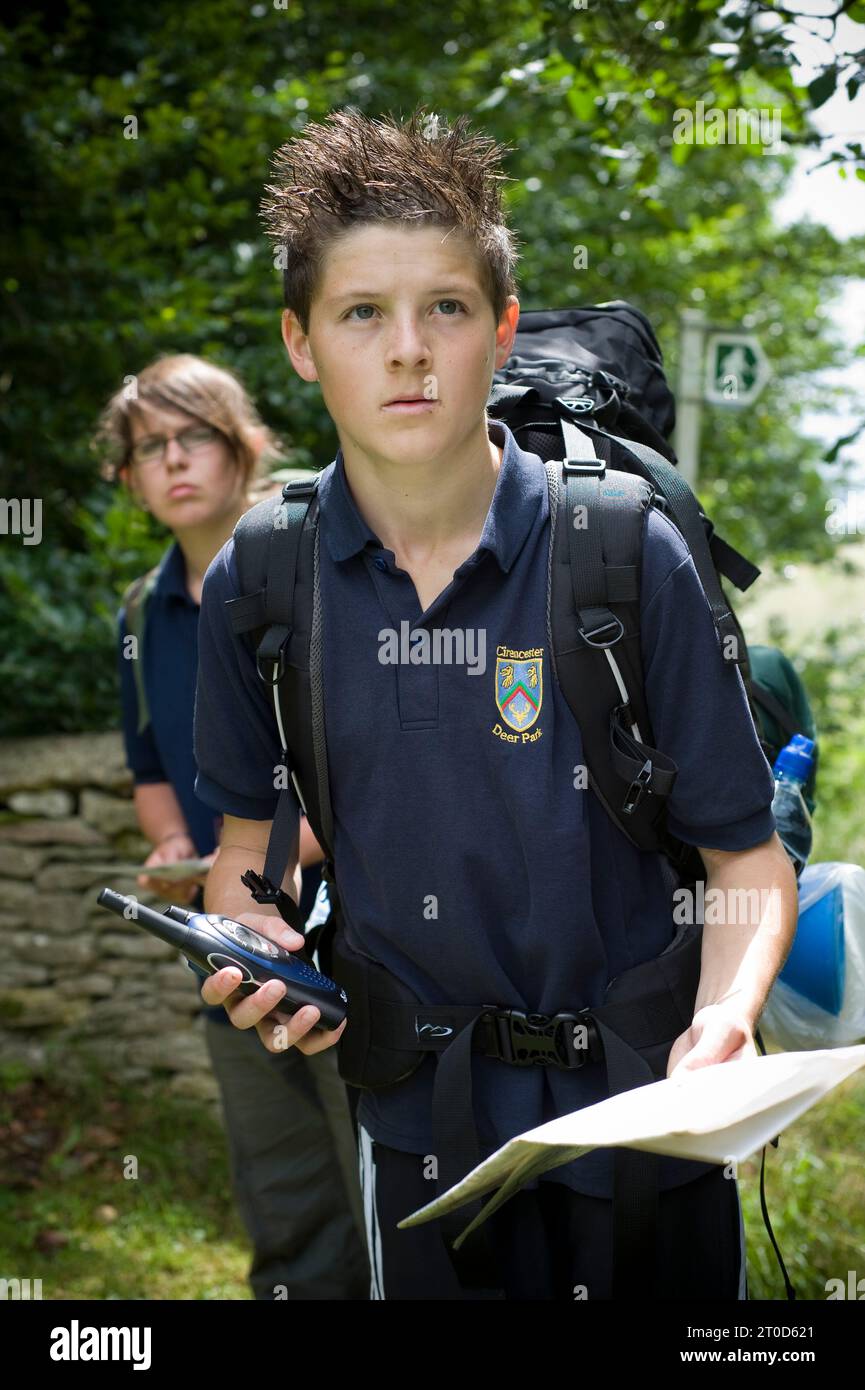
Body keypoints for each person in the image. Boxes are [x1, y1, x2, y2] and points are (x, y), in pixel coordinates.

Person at [191, 107, 799, 1301]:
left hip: (648, 1122)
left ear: (501, 326)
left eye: (447, 310)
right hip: (418, 1131)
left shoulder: (621, 555)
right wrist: (261, 955)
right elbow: (248, 863)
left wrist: (722, 1022)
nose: (407, 349)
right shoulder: (259, 583)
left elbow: (743, 862)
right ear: (301, 344)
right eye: (362, 312)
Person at [93, 353, 370, 1299]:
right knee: (276, 1156)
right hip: (223, 930)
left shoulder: (326, 554)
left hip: (356, 923)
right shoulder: (144, 608)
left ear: (243, 443)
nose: (171, 461)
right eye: (146, 449)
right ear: (127, 477)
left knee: (373, 1147)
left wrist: (260, 859)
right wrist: (178, 848)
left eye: (192, 437)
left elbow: (378, 760)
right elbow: (150, 769)